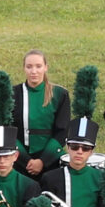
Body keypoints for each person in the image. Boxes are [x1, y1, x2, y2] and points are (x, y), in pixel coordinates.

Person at [11, 50, 72, 178]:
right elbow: (9, 130)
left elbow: (62, 130)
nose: (34, 71)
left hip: (51, 160)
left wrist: (42, 161)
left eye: (38, 66)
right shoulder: (12, 94)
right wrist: (25, 160)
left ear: (46, 67)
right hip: (21, 160)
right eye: (29, 67)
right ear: (24, 68)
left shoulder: (60, 94)